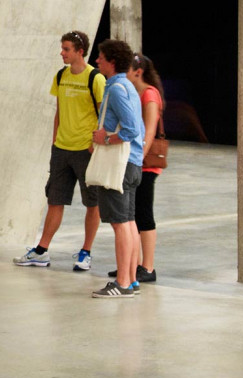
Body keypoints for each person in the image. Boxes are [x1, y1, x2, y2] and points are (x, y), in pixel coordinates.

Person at [13, 31, 106, 272]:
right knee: (55, 200)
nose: (62, 53)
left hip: (85, 150)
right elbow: (59, 111)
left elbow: (104, 114)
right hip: (62, 149)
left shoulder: (95, 78)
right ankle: (41, 251)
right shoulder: (61, 76)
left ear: (79, 51)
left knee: (92, 203)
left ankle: (86, 252)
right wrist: (55, 141)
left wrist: (94, 144)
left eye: (66, 49)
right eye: (62, 48)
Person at [87, 39, 146, 298]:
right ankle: (130, 280)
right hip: (132, 163)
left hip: (120, 165)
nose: (97, 61)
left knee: (120, 223)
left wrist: (106, 139)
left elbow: (131, 129)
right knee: (128, 221)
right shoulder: (128, 86)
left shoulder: (117, 89)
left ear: (111, 61)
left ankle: (122, 283)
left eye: (100, 57)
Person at [115, 53, 166, 285]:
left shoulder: (149, 94)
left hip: (145, 165)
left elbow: (150, 130)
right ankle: (132, 266)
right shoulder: (135, 93)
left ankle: (148, 266)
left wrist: (138, 158)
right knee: (132, 215)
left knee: (143, 214)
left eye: (127, 69)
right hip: (136, 162)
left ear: (138, 72)